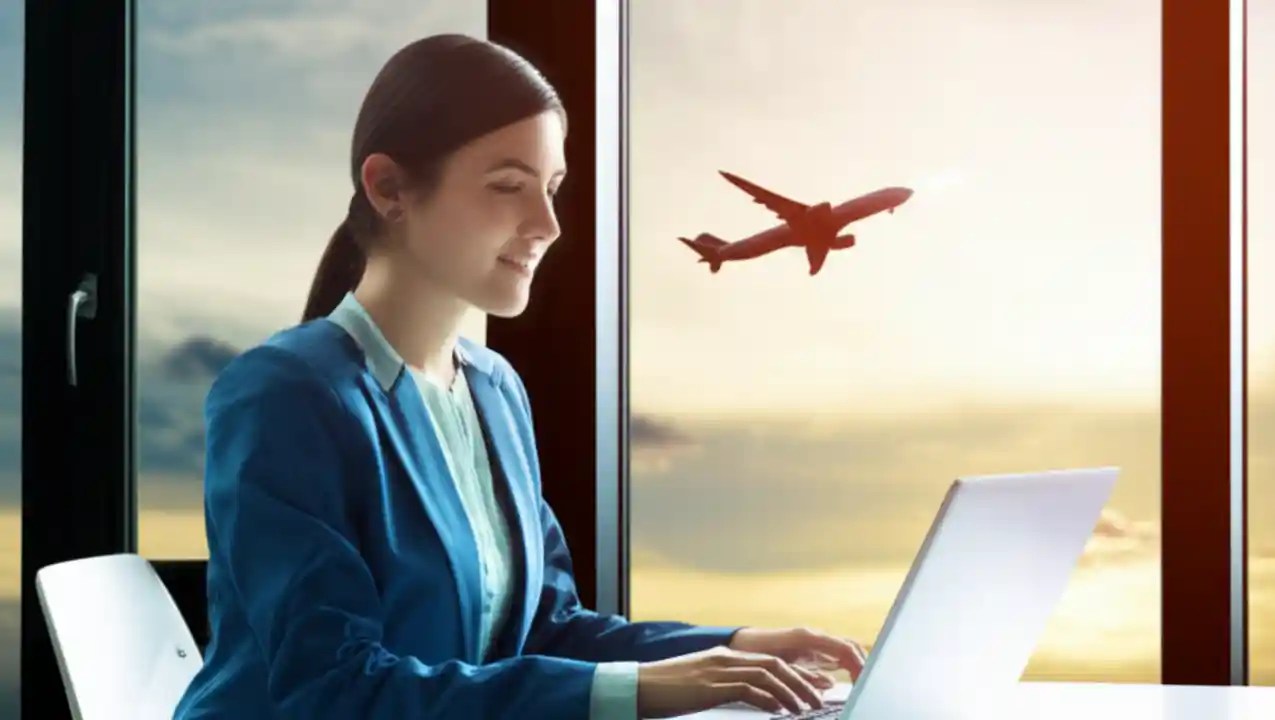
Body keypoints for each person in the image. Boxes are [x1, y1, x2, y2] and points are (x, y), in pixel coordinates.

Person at [172, 33, 866, 720]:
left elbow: (545, 630)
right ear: (389, 189)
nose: (549, 224)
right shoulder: (282, 396)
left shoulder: (493, 390)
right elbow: (335, 691)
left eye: (553, 188)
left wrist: (738, 650)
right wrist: (643, 691)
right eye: (509, 186)